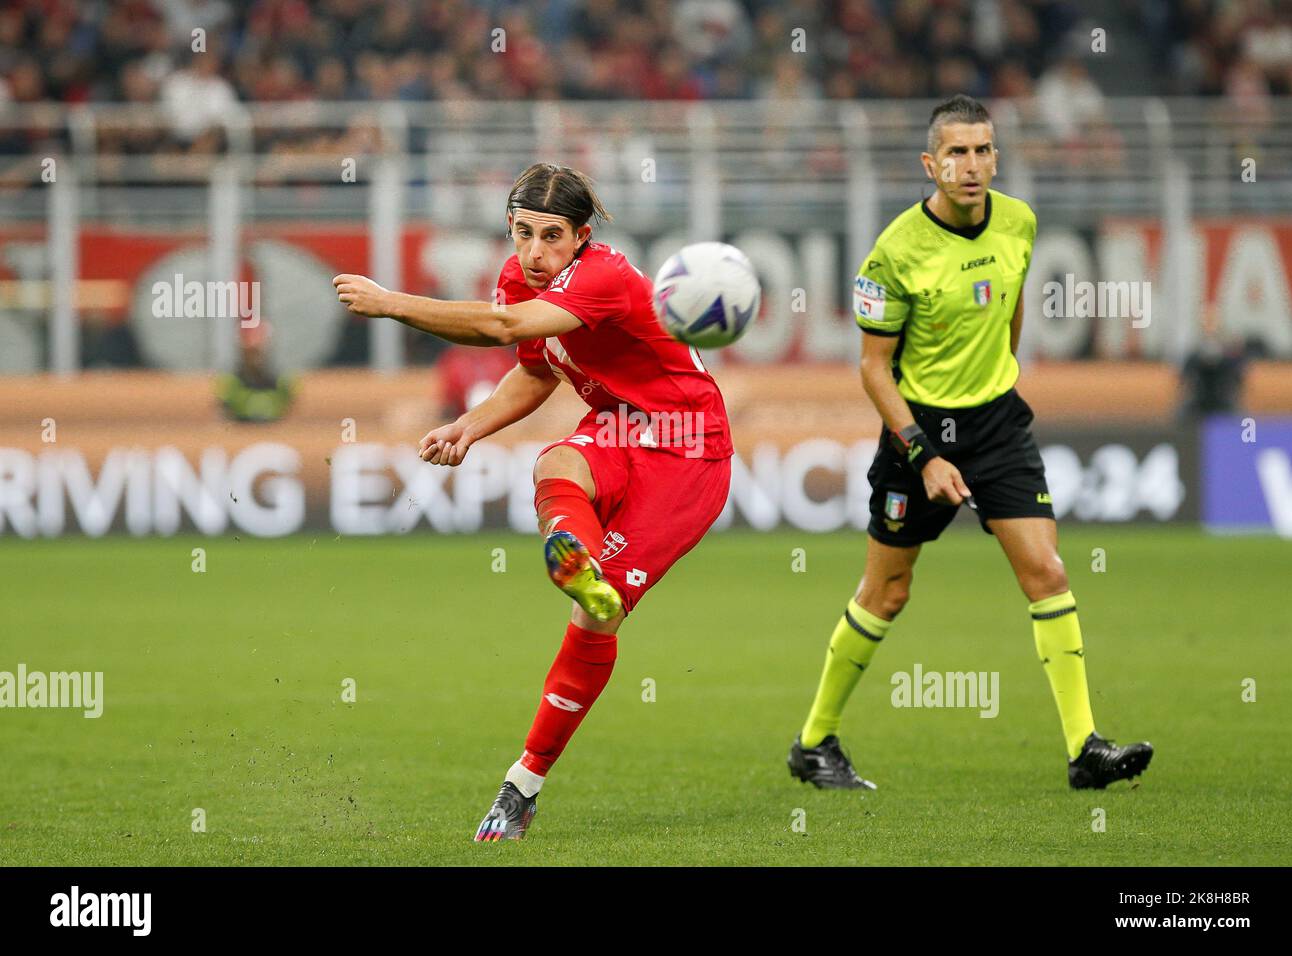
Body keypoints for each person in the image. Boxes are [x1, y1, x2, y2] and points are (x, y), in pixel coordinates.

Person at [333, 163, 733, 839]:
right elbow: (534, 371)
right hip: (619, 427)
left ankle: (523, 785)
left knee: (594, 624)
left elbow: (498, 330)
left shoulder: (603, 275)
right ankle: (572, 554)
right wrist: (470, 425)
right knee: (556, 462)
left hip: (688, 448)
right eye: (523, 233)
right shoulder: (521, 281)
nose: (536, 252)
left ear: (582, 237)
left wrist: (392, 302)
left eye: (553, 236)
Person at [787, 95, 1153, 792]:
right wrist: (924, 454)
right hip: (917, 434)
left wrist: (999, 385)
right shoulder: (895, 251)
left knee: (1046, 572)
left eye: (983, 150)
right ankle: (813, 742)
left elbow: (1010, 308)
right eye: (957, 152)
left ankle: (1085, 749)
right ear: (931, 164)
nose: (972, 165)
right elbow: (871, 367)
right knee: (886, 593)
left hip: (995, 427)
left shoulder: (1019, 222)